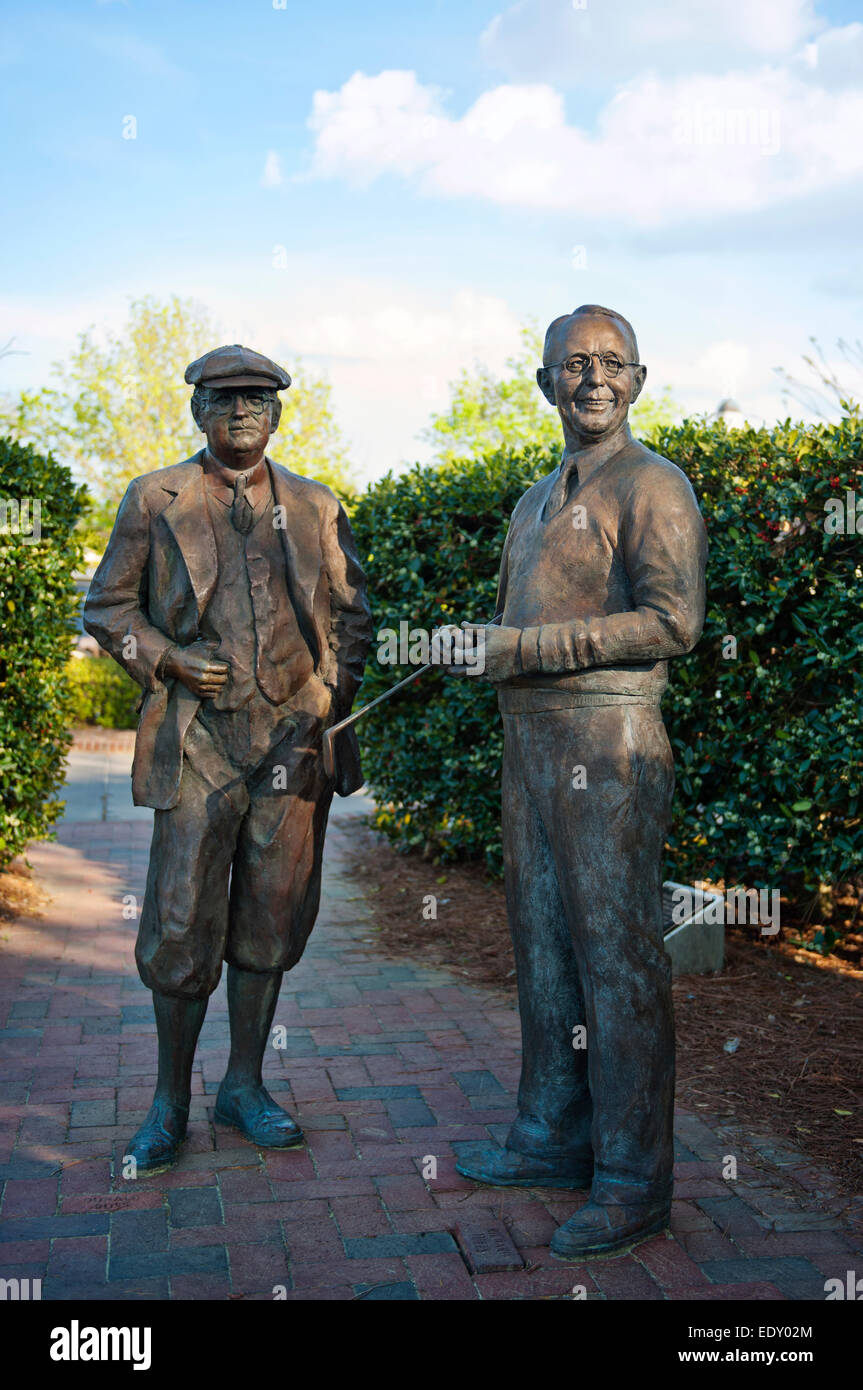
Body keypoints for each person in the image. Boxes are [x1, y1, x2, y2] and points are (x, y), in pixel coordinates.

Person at [430, 306, 707, 1257]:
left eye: (610, 363)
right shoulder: (530, 499)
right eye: (573, 364)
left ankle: (633, 1178)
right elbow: (527, 619)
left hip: (610, 740)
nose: (592, 378)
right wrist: (482, 647)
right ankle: (553, 1134)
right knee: (543, 946)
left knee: (615, 955)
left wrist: (519, 647)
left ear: (639, 379)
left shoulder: (653, 486)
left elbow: (673, 624)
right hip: (531, 743)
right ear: (545, 382)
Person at [84, 344, 371, 1173]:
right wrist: (169, 659)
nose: (242, 410)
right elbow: (106, 606)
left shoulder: (315, 505)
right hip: (198, 740)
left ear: (278, 413)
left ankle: (243, 1085)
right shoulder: (155, 498)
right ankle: (168, 1100)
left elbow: (353, 612)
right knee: (181, 922)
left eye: (257, 399)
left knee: (270, 920)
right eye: (224, 398)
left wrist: (329, 691)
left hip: (290, 747)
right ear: (196, 410)